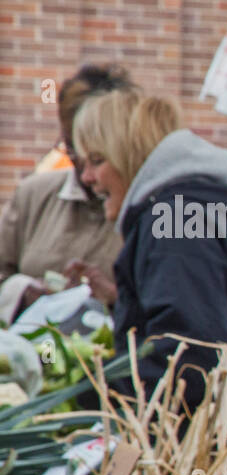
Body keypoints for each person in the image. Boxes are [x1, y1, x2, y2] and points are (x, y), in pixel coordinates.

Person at [72, 91, 227, 460]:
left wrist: (89, 391)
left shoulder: (176, 225)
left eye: (97, 160)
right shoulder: (195, 218)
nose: (86, 177)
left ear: (130, 156)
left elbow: (191, 358)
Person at [0, 64, 137, 323]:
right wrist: (20, 293)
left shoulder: (148, 210)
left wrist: (113, 297)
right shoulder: (34, 196)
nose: (86, 174)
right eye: (74, 152)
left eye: (97, 157)